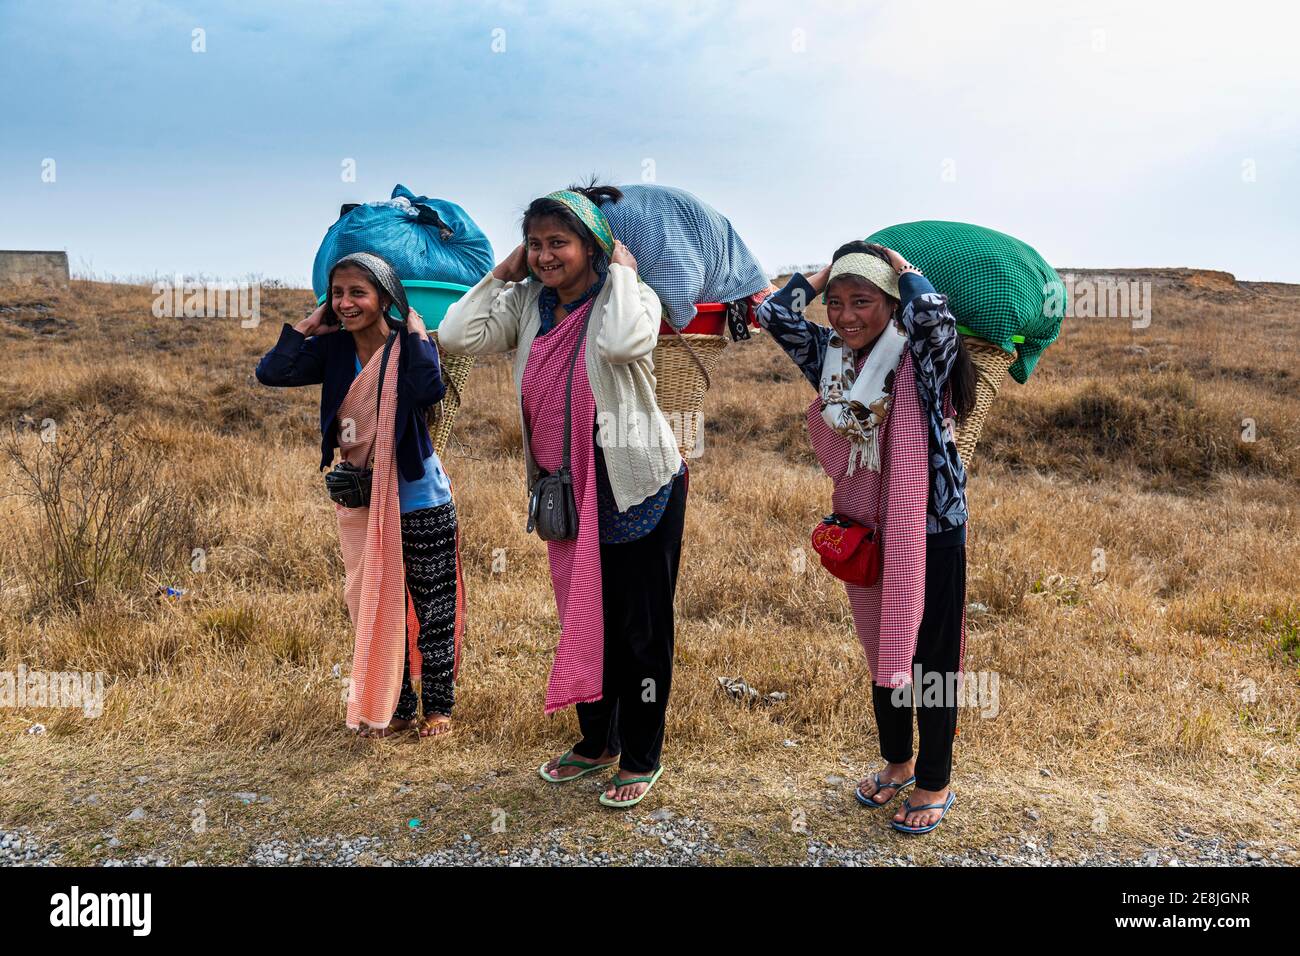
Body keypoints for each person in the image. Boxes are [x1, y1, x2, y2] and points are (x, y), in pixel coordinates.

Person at [439, 185, 685, 808]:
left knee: (640, 627)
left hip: (635, 483)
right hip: (567, 488)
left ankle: (641, 753)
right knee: (584, 613)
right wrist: (503, 271)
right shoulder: (527, 305)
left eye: (560, 242)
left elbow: (624, 345)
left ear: (593, 247)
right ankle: (596, 742)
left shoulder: (631, 298)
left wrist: (625, 274)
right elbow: (456, 334)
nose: (547, 255)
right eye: (536, 244)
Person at [756, 241, 976, 834]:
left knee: (930, 657)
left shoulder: (920, 359)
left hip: (929, 527)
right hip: (868, 526)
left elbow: (932, 316)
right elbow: (774, 314)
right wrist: (829, 271)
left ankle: (934, 779)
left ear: (890, 303)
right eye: (836, 303)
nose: (847, 316)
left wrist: (906, 272)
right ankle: (897, 762)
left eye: (864, 301)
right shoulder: (832, 360)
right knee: (882, 644)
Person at [255, 252, 464, 739]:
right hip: (360, 501)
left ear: (385, 297)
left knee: (431, 606)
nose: (346, 303)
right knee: (372, 602)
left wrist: (414, 328)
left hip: (419, 497)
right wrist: (308, 324)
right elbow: (271, 372)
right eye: (338, 294)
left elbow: (429, 389)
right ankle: (397, 705)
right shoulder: (331, 351)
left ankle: (438, 708)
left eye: (358, 293)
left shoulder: (407, 346)